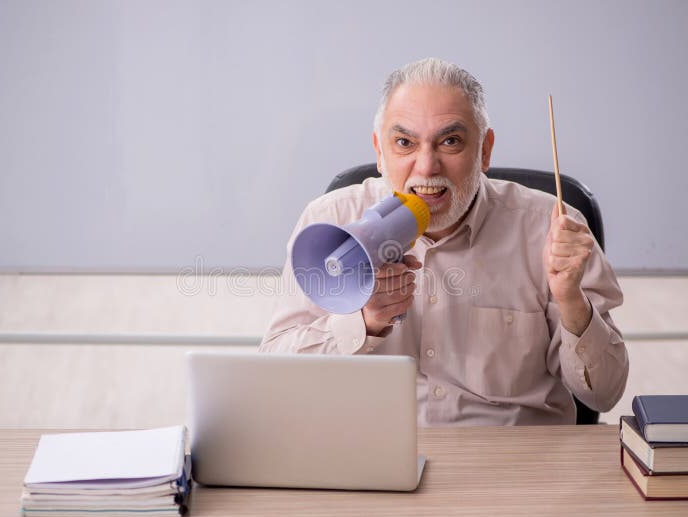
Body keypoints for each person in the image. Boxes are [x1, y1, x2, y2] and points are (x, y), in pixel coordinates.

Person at [260, 57, 628, 426]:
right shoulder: (330, 219)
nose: (426, 167)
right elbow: (276, 373)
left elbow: (605, 394)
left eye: (450, 142)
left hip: (513, 461)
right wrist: (362, 323)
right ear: (379, 152)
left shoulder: (550, 228)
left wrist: (571, 303)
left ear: (484, 150)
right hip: (368, 453)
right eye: (404, 142)